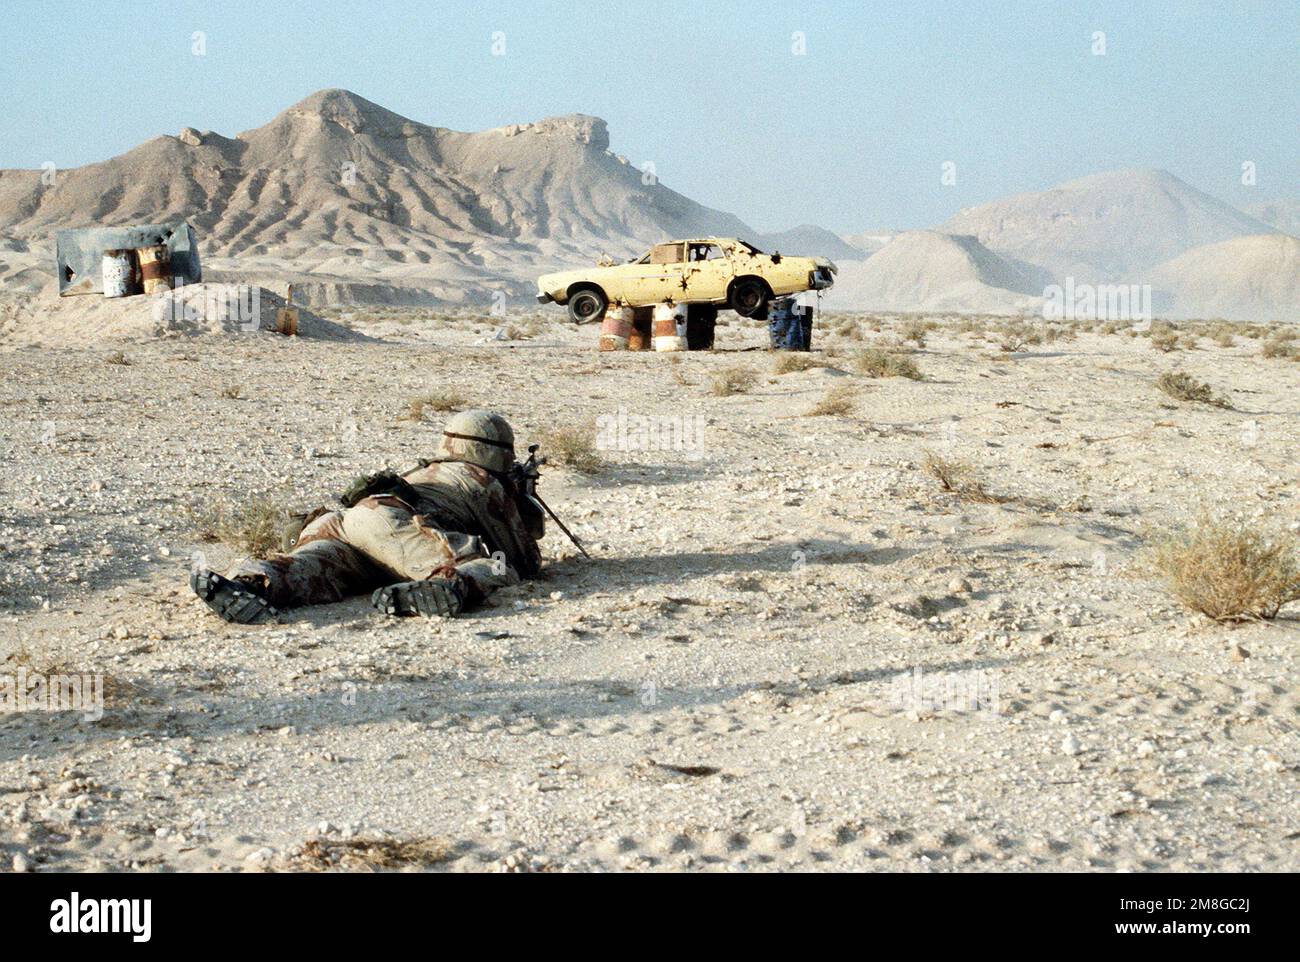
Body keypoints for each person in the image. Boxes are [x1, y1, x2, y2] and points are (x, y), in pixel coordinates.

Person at [190, 411, 544, 623]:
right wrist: (519, 497)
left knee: (300, 568)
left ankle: (249, 583)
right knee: (493, 568)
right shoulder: (480, 479)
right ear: (497, 450)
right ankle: (443, 589)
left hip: (345, 522)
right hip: (395, 526)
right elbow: (522, 559)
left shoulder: (422, 470)